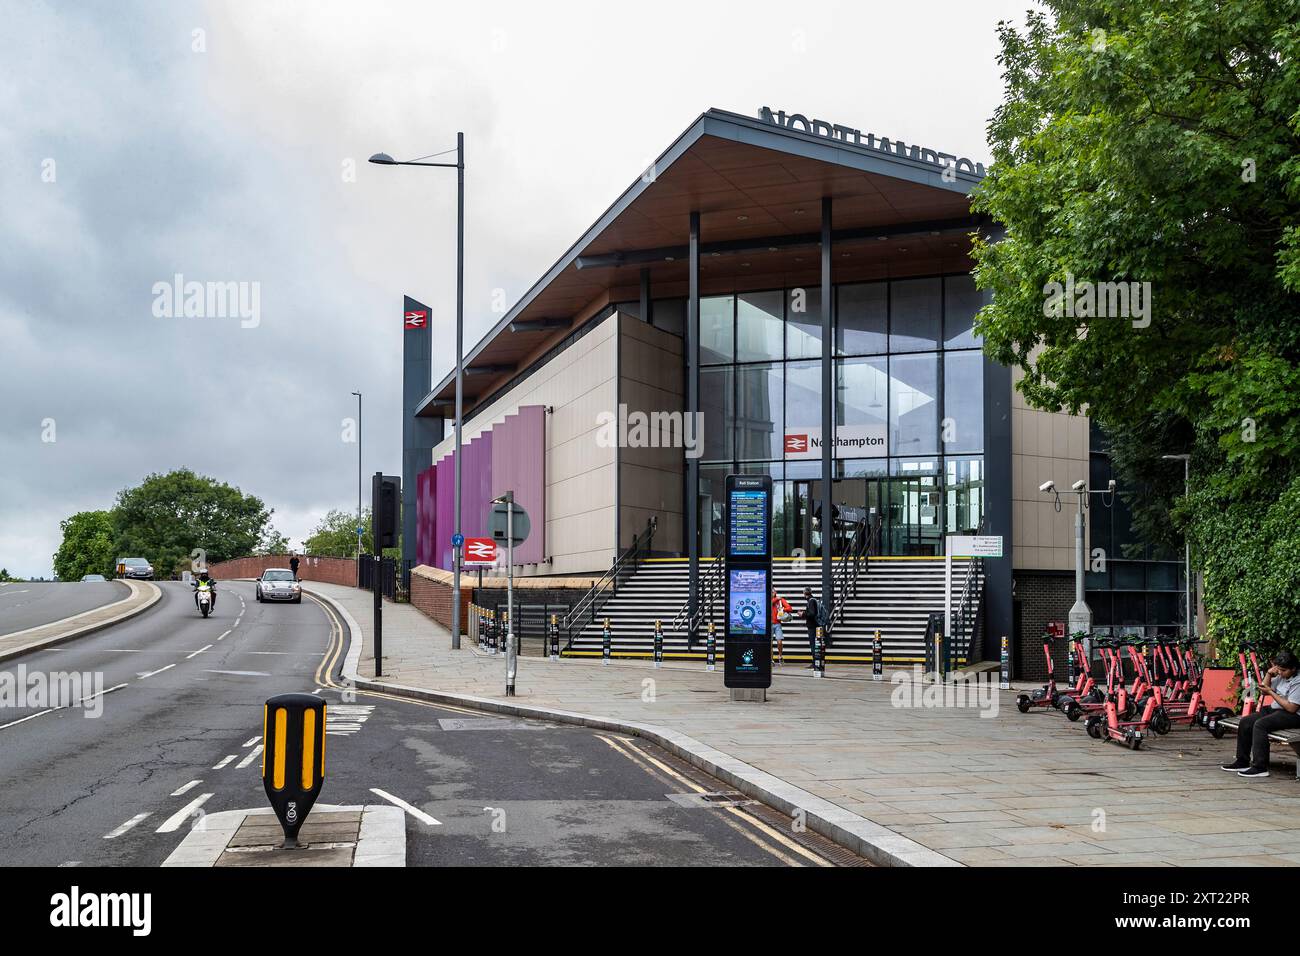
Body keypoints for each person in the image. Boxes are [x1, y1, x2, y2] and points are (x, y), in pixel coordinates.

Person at [1221, 649, 1300, 778]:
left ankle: (1260, 766)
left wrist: (1271, 692)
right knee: (1246, 721)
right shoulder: (1281, 675)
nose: (1279, 672)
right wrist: (1269, 673)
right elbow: (1263, 690)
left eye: (1283, 670)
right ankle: (1242, 761)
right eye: (1278, 669)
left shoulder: (1298, 681)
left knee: (1261, 724)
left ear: (1293, 668)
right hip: (1277, 710)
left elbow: (1292, 708)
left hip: (1293, 715)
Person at [771, 586, 792, 664]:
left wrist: (782, 609)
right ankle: (771, 659)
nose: (773, 593)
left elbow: (790, 608)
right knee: (770, 643)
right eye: (771, 592)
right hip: (769, 625)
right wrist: (776, 599)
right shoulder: (771, 600)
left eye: (774, 592)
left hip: (777, 624)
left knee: (779, 642)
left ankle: (780, 656)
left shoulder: (780, 600)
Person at [801, 587, 822, 669]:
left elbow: (812, 614)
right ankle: (816, 662)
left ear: (804, 593)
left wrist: (803, 614)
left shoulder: (811, 601)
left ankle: (815, 663)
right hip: (815, 626)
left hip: (813, 627)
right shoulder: (813, 600)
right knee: (815, 644)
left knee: (813, 645)